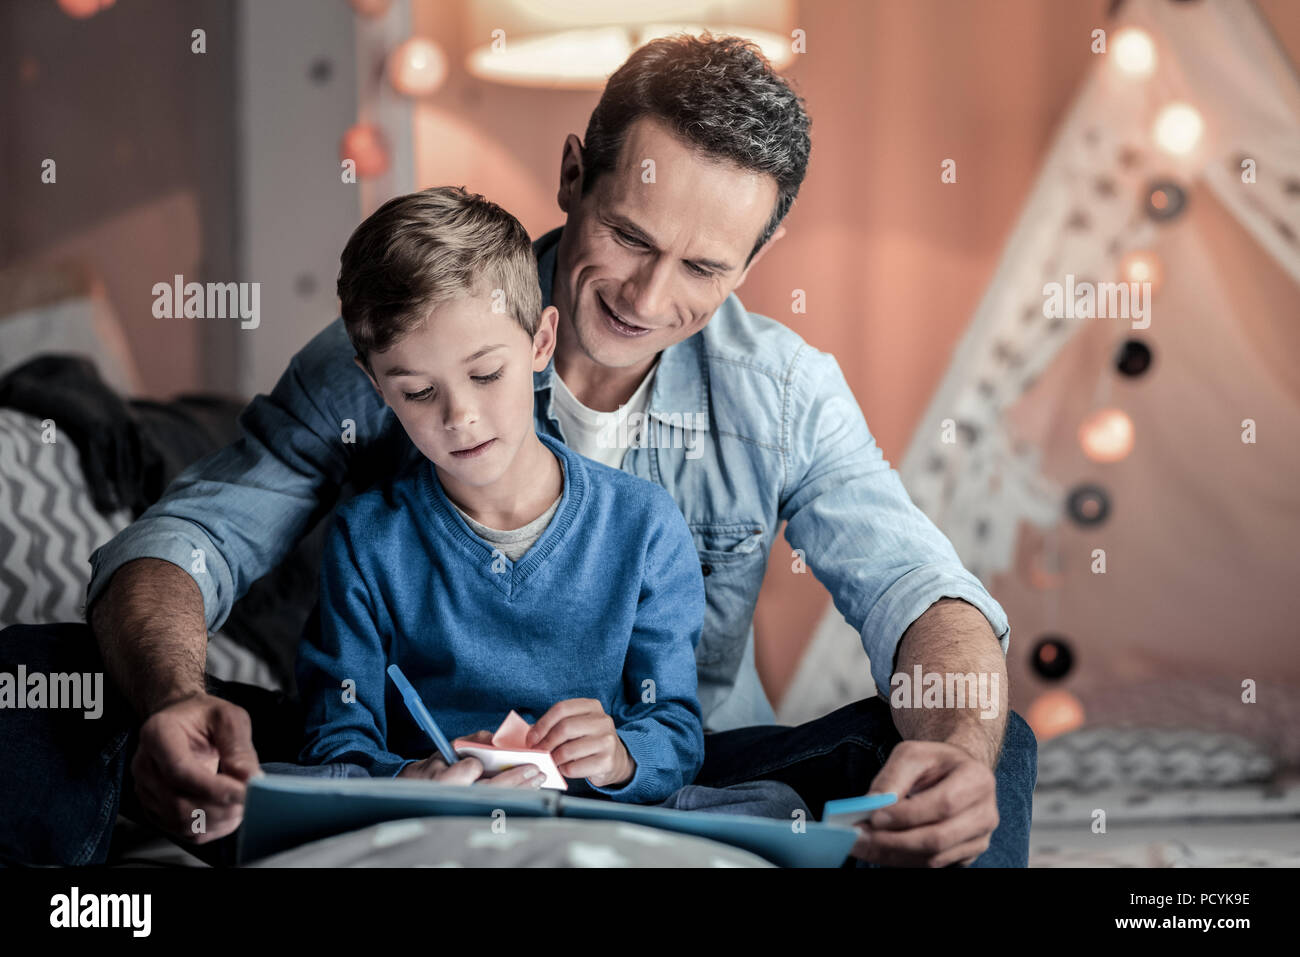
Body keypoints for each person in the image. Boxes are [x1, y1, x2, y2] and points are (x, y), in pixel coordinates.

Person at [1, 32, 1035, 868]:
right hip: (407, 762)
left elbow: (920, 592)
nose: (645, 297)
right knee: (53, 679)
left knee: (986, 748)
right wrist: (177, 701)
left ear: (757, 260)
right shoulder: (400, 346)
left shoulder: (784, 394)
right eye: (630, 237)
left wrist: (952, 751)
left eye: (703, 267)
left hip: (683, 773)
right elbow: (189, 544)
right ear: (573, 174)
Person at [267, 184, 803, 824]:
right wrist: (415, 778)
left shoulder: (643, 525)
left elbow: (674, 732)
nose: (460, 418)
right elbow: (339, 745)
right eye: (416, 391)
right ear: (376, 385)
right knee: (257, 786)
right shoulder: (367, 539)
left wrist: (620, 756)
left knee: (776, 804)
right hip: (439, 824)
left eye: (487, 374)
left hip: (595, 817)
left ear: (542, 342)